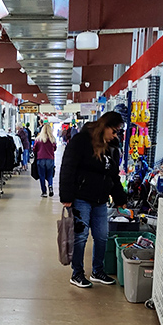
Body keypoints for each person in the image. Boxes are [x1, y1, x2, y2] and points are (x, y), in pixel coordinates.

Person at [59, 111, 127, 288]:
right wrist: (66, 196)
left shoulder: (112, 147)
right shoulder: (81, 141)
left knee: (102, 236)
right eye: (114, 130)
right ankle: (77, 273)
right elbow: (68, 167)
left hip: (101, 200)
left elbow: (114, 176)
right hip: (81, 197)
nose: (115, 134)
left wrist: (120, 199)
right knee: (80, 237)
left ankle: (98, 270)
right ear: (104, 126)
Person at [33, 122, 56, 198]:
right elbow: (55, 148)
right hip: (50, 159)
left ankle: (44, 192)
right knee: (50, 175)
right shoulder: (52, 139)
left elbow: (34, 149)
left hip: (41, 159)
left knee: (42, 176)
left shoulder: (39, 139)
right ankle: (50, 186)